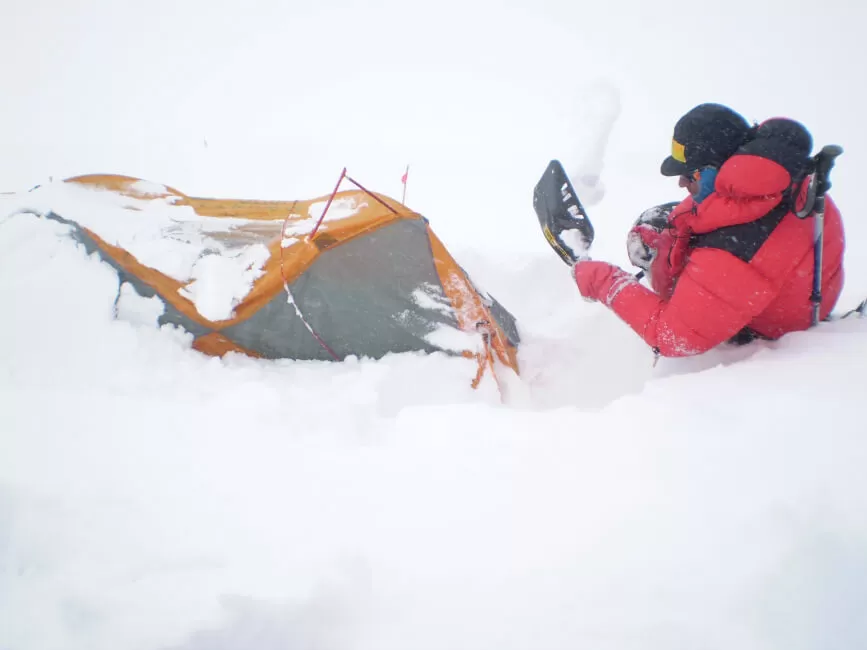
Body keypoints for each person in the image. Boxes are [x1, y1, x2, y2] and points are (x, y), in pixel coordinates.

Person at [572, 102, 845, 357]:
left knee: (658, 234)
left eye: (691, 174)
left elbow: (673, 337)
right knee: (659, 221)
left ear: (720, 170)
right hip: (784, 287)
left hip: (765, 325)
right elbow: (718, 210)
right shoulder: (780, 175)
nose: (681, 183)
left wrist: (604, 281)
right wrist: (673, 235)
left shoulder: (735, 252)